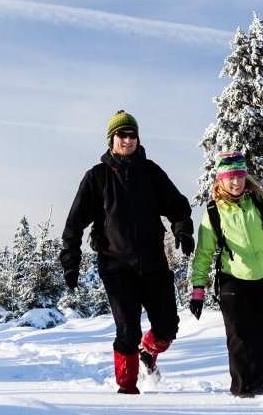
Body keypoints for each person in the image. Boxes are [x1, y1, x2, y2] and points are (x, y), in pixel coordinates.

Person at [61, 110, 194, 394]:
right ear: (112, 139)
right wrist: (71, 260)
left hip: (154, 264)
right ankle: (127, 391)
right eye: (123, 135)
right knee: (127, 331)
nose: (128, 140)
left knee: (168, 328)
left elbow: (178, 206)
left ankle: (149, 352)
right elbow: (74, 223)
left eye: (133, 135)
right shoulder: (96, 177)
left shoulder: (151, 173)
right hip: (117, 266)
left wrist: (182, 230)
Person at [189, 151, 263, 398]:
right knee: (238, 336)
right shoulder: (213, 213)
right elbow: (204, 253)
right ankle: (241, 392)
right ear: (220, 180)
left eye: (240, 176)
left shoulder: (261, 200)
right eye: (230, 178)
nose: (236, 182)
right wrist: (198, 289)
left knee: (260, 337)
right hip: (234, 278)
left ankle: (257, 387)